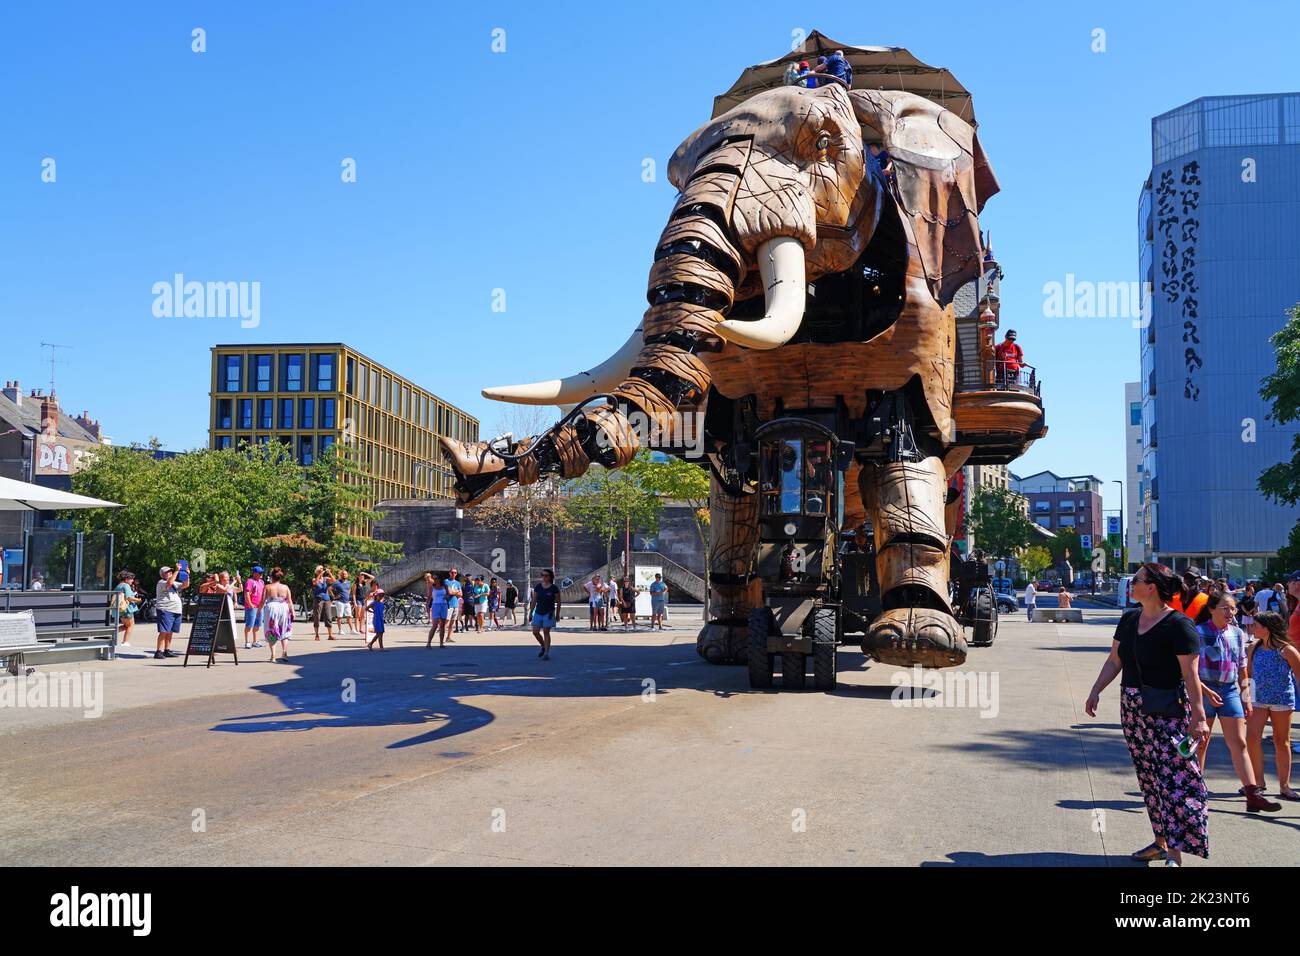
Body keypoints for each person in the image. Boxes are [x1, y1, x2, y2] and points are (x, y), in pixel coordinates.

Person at [1084, 563, 1210, 866]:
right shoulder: (1129, 620)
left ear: (1151, 586)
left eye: (1136, 580)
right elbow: (1115, 660)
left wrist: (1200, 717)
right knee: (1149, 779)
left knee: (1174, 779)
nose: (1131, 584)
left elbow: (1191, 676)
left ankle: (1175, 856)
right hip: (1133, 710)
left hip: (1168, 711)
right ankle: (1160, 842)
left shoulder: (1179, 625)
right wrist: (1096, 689)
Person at [1194, 592, 1279, 811]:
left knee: (1239, 743)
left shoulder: (1238, 633)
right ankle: (1195, 789)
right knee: (1201, 743)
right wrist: (1202, 690)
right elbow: (1189, 670)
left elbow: (1243, 668)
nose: (1231, 612)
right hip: (1204, 689)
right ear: (1212, 609)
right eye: (1225, 608)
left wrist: (1246, 697)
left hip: (1230, 690)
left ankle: (1252, 793)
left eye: (1233, 608)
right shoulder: (1198, 632)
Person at [1244, 611, 1300, 800]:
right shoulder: (1254, 647)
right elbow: (1248, 675)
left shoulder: (1287, 650)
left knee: (1281, 741)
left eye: (1256, 625)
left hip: (1282, 701)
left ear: (1267, 628)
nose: (1252, 628)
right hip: (1258, 700)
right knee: (1251, 737)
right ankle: (1258, 783)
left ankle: (1284, 786)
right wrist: (1246, 699)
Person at [153, 565, 187, 660]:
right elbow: (169, 583)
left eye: (171, 571)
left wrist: (186, 575)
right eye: (168, 572)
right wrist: (177, 571)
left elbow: (185, 585)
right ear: (162, 574)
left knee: (171, 631)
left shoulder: (174, 583)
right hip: (165, 609)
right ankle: (158, 651)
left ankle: (167, 650)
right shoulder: (161, 582)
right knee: (164, 631)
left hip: (175, 609)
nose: (170, 572)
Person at [263, 567, 294, 662]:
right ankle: (284, 652)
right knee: (284, 630)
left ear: (271, 577)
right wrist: (292, 611)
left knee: (271, 630)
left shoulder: (268, 587)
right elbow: (289, 600)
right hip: (283, 608)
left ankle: (273, 656)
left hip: (272, 608)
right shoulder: (285, 587)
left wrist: (259, 611)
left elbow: (262, 600)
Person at [530, 569, 562, 661]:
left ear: (550, 577)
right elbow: (534, 601)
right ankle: (543, 646)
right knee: (535, 632)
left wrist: (557, 614)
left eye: (546, 575)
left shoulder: (554, 588)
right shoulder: (538, 587)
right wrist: (530, 613)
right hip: (538, 612)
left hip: (549, 613)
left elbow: (559, 602)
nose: (544, 577)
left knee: (546, 631)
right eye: (542, 575)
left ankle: (546, 653)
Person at [113, 570, 140, 650]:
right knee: (130, 625)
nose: (132, 581)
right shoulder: (126, 586)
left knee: (126, 626)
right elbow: (129, 597)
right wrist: (138, 600)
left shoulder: (119, 585)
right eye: (131, 579)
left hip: (120, 609)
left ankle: (111, 633)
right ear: (126, 579)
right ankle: (125, 642)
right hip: (127, 609)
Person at [243, 565, 266, 650]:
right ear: (254, 573)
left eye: (261, 573)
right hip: (252, 606)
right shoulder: (250, 581)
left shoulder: (262, 582)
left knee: (257, 624)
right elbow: (247, 593)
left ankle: (255, 641)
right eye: (259, 573)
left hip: (260, 606)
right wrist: (250, 604)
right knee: (249, 624)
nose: (261, 574)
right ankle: (247, 641)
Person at [426, 571, 450, 648]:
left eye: (436, 578)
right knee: (435, 625)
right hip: (435, 605)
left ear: (440, 579)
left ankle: (441, 643)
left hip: (444, 605)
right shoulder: (432, 586)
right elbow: (429, 597)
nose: (435, 580)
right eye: (434, 578)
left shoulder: (445, 586)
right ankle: (428, 643)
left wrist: (447, 596)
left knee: (442, 625)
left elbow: (448, 594)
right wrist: (427, 606)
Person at [311, 567, 335, 641]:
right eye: (319, 570)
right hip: (318, 599)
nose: (321, 570)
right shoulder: (314, 579)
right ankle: (317, 635)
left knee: (328, 616)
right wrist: (319, 575)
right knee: (317, 617)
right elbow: (315, 583)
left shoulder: (325, 579)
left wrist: (329, 572)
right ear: (317, 571)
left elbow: (334, 581)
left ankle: (330, 635)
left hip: (326, 599)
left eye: (322, 569)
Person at [365, 581, 386, 651]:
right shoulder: (374, 603)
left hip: (381, 619)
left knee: (381, 633)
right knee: (379, 633)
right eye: (379, 595)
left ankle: (371, 644)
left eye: (382, 596)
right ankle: (380, 647)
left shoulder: (381, 603)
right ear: (376, 596)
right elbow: (366, 608)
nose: (381, 597)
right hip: (376, 620)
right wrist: (373, 611)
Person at [334, 570, 355, 635]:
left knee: (349, 616)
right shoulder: (337, 582)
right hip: (339, 602)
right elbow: (329, 589)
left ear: (347, 575)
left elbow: (348, 590)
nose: (344, 575)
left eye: (345, 574)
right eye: (343, 574)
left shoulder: (349, 582)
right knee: (340, 616)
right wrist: (334, 596)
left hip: (347, 602)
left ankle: (352, 630)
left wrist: (348, 596)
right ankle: (340, 630)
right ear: (340, 575)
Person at [445, 568, 462, 637]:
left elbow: (461, 594)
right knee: (446, 621)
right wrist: (456, 592)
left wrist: (453, 592)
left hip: (456, 604)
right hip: (448, 604)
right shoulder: (446, 581)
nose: (453, 574)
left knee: (452, 622)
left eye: (455, 572)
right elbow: (449, 592)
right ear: (449, 573)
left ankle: (448, 637)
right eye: (452, 572)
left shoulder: (458, 583)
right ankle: (442, 636)